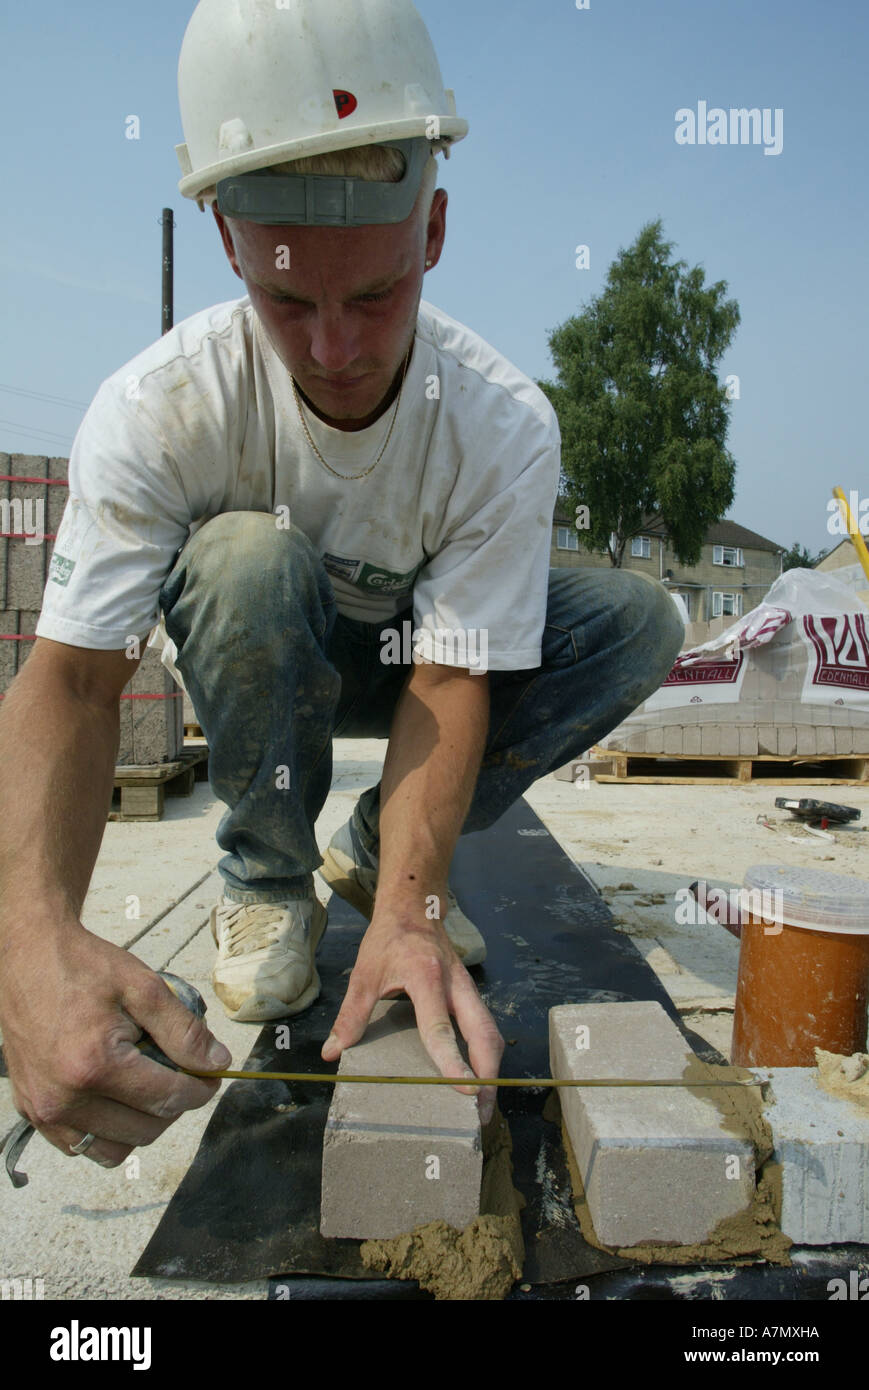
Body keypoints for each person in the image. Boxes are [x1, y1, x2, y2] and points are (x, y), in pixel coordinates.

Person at [0, 0, 684, 1171]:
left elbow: (450, 671)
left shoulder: (499, 423)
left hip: (412, 664)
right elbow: (67, 683)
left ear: (431, 231)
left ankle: (369, 847)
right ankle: (266, 877)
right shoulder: (160, 410)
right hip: (270, 656)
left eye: (371, 296)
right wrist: (25, 944)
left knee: (635, 618)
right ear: (226, 242)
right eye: (287, 303)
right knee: (248, 554)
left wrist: (410, 903)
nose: (331, 350)